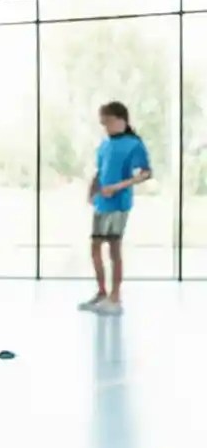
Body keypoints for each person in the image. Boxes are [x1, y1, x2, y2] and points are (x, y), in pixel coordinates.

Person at [78, 101, 151, 316]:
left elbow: (145, 173)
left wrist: (118, 187)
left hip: (119, 204)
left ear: (121, 120)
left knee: (114, 249)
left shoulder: (134, 144)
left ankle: (115, 297)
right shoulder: (105, 144)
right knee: (95, 247)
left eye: (108, 121)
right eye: (103, 122)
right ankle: (101, 292)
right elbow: (100, 170)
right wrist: (92, 189)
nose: (105, 126)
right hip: (102, 202)